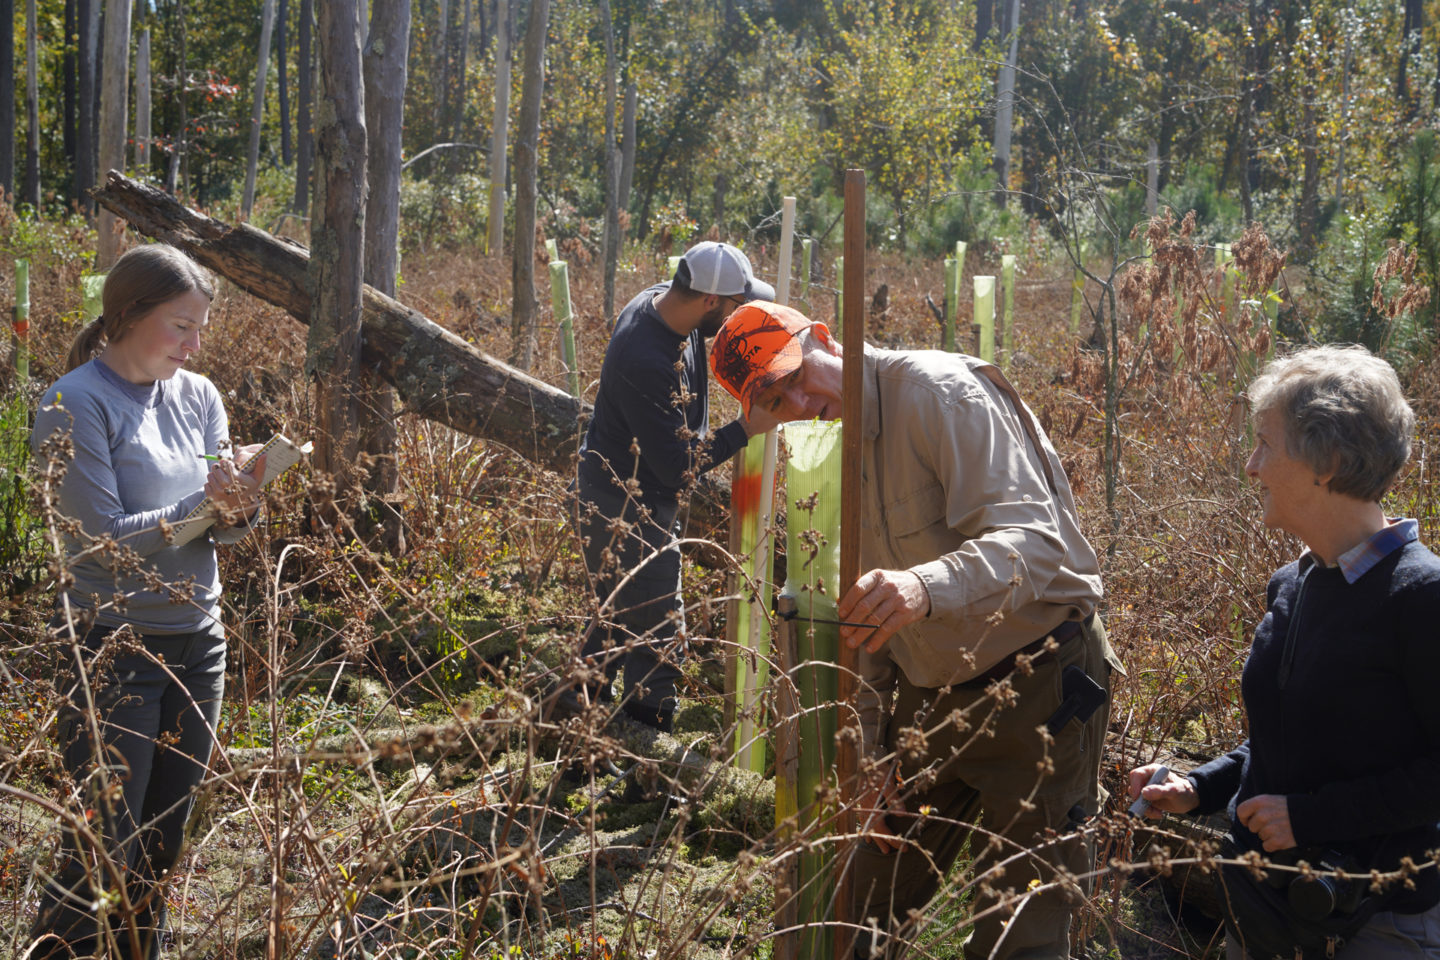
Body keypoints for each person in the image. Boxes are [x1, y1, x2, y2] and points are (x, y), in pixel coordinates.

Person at [710, 302, 1119, 959]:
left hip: (1040, 684)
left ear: (821, 337)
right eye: (776, 399)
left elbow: (1039, 544)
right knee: (852, 906)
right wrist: (868, 751)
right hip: (932, 698)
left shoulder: (938, 395)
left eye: (798, 375)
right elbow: (865, 617)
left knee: (1019, 931)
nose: (801, 400)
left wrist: (926, 585)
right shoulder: (824, 448)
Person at [1130, 345, 1440, 959]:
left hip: (1376, 919)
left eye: (1266, 444)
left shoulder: (1422, 595)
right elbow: (1287, 735)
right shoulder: (1294, 583)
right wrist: (1200, 788)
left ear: (1325, 461)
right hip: (1269, 905)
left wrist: (1311, 818)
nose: (1251, 466)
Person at [28, 244, 265, 960]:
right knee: (103, 848)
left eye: (200, 330)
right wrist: (205, 501)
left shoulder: (200, 397)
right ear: (127, 316)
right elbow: (95, 543)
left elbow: (222, 532)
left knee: (164, 840)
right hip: (113, 648)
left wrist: (243, 505)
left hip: (200, 645)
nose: (194, 347)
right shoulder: (74, 403)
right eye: (179, 328)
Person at [566, 241, 778, 733]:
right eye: (735, 307)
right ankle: (649, 772)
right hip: (625, 507)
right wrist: (746, 428)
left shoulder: (664, 301)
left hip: (626, 492)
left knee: (614, 620)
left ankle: (574, 745)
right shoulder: (646, 356)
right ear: (709, 301)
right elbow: (677, 468)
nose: (736, 317)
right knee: (661, 638)